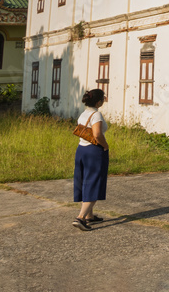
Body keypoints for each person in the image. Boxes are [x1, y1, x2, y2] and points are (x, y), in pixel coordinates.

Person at [73, 89, 110, 231]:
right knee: (95, 182)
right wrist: (105, 146)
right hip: (94, 151)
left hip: (81, 150)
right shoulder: (96, 114)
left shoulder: (84, 113)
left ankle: (89, 215)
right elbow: (97, 134)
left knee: (85, 181)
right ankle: (81, 217)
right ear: (99, 102)